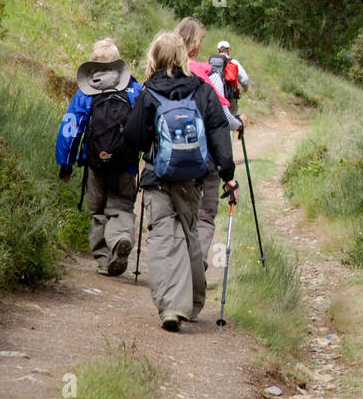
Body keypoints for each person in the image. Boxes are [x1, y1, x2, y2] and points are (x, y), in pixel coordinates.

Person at [123, 31, 237, 331]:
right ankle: (192, 302)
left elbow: (134, 138)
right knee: (189, 234)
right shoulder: (202, 90)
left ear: (155, 57)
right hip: (191, 179)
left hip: (158, 177)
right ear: (183, 57)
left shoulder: (149, 91)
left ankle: (171, 306)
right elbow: (218, 131)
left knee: (163, 236)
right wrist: (228, 175)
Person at [56, 38, 143, 277]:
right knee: (122, 206)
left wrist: (66, 163)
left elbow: (71, 129)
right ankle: (121, 238)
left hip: (94, 163)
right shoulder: (134, 89)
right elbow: (145, 124)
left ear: (92, 65)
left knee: (98, 211)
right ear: (117, 64)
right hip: (125, 164)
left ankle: (105, 260)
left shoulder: (86, 93)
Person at [174, 17, 243, 267]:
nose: (202, 45)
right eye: (200, 40)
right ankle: (197, 260)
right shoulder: (207, 75)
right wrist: (239, 123)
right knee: (204, 215)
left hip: (171, 158)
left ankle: (179, 262)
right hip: (207, 160)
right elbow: (220, 121)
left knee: (178, 214)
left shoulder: (163, 71)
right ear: (193, 42)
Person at [208, 41, 250, 115]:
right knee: (231, 118)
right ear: (228, 51)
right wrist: (245, 87)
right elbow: (245, 79)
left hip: (214, 97)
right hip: (229, 97)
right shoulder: (233, 62)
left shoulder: (211, 61)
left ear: (218, 50)